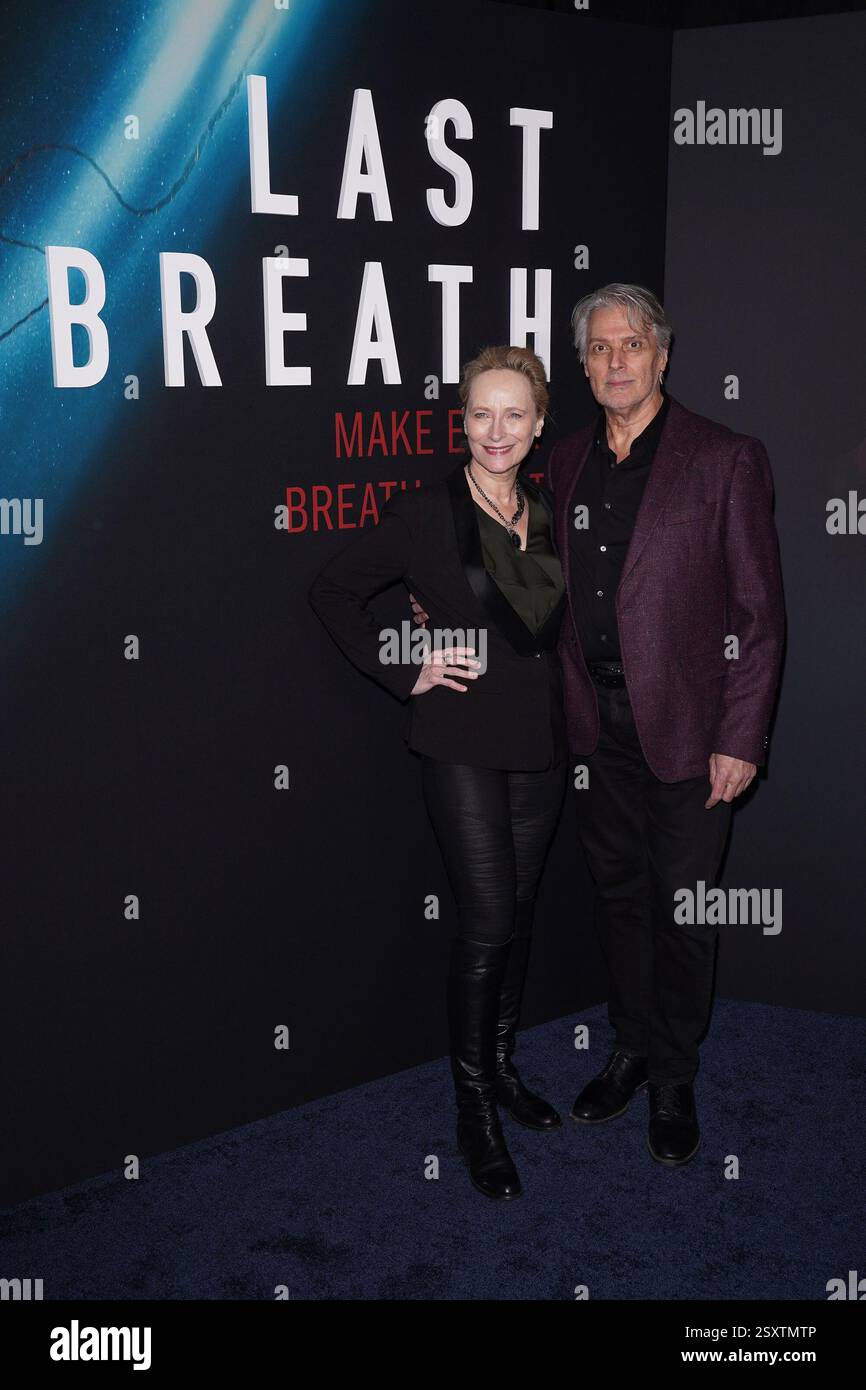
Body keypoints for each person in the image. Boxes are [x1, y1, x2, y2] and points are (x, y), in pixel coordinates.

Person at [308, 346, 569, 1200]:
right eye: (480, 414)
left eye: (513, 415)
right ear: (461, 420)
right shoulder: (426, 512)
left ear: (538, 423)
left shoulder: (550, 505)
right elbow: (334, 590)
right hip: (458, 736)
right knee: (488, 919)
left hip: (540, 742)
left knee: (521, 916)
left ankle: (500, 1069)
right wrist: (406, 659)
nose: (496, 432)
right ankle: (473, 1114)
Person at [547, 283, 785, 1166]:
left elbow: (760, 614)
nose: (616, 362)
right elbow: (533, 577)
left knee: (683, 909)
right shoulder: (564, 459)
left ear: (663, 354)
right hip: (594, 726)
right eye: (600, 348)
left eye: (632, 345)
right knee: (619, 899)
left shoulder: (725, 458)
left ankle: (676, 1073)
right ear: (584, 363)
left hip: (692, 733)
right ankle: (631, 1047)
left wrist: (742, 735)